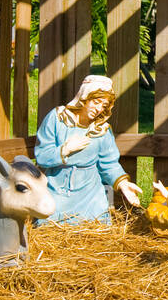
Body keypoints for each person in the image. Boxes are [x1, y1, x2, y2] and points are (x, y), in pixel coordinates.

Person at [33, 75, 142, 223]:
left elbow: (108, 164)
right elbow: (42, 155)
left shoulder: (101, 130)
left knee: (97, 223)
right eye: (96, 102)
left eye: (103, 106)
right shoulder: (58, 118)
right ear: (84, 98)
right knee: (49, 217)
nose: (98, 109)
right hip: (59, 187)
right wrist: (65, 150)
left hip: (90, 193)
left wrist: (123, 184)